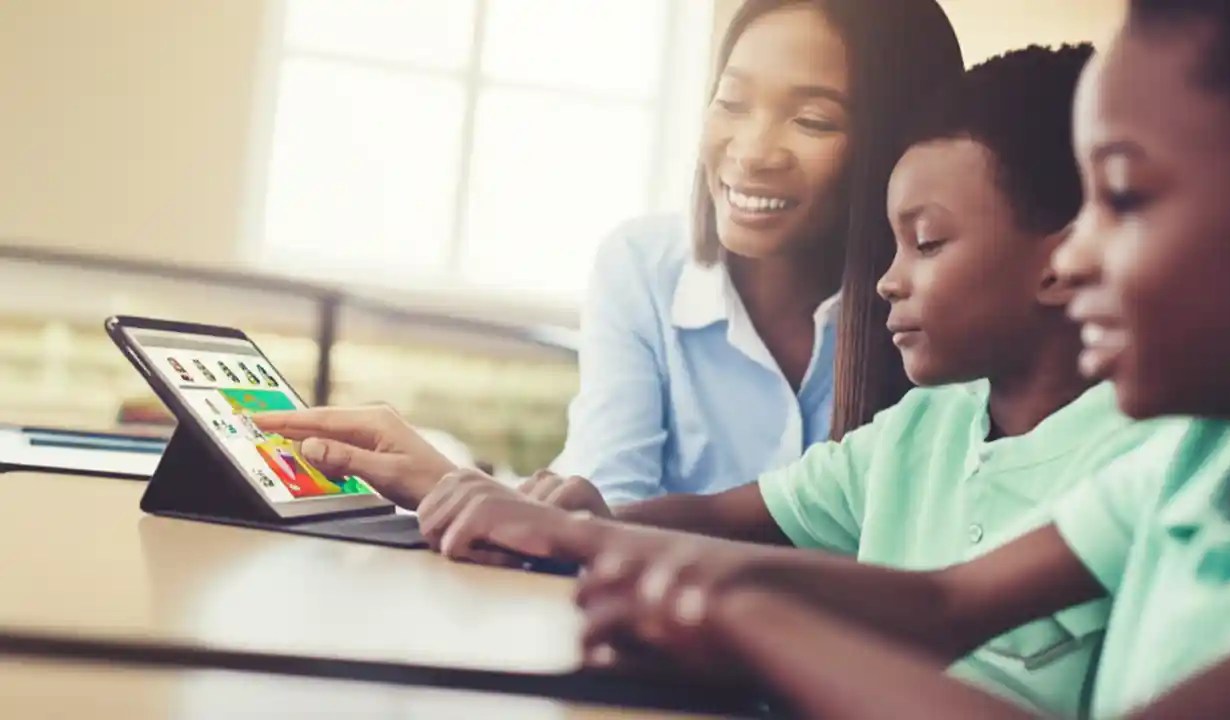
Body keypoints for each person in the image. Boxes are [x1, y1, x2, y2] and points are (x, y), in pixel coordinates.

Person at [264, 43, 1149, 717]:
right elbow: (722, 520)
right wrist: (569, 524)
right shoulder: (922, 428)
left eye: (927, 243)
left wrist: (733, 611)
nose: (887, 280)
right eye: (731, 99)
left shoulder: (1151, 458)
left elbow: (932, 610)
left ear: (1065, 257)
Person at [568, 2, 1230, 717]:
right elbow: (947, 602)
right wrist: (656, 566)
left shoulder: (1155, 447)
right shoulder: (1191, 464)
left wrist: (750, 617)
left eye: (1124, 198)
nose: (1073, 256)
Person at [253, 0, 964, 507]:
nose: (751, 152)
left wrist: (477, 494)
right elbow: (602, 503)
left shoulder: (940, 315)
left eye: (811, 120)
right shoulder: (643, 266)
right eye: (731, 102)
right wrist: (457, 488)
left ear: (902, 142)